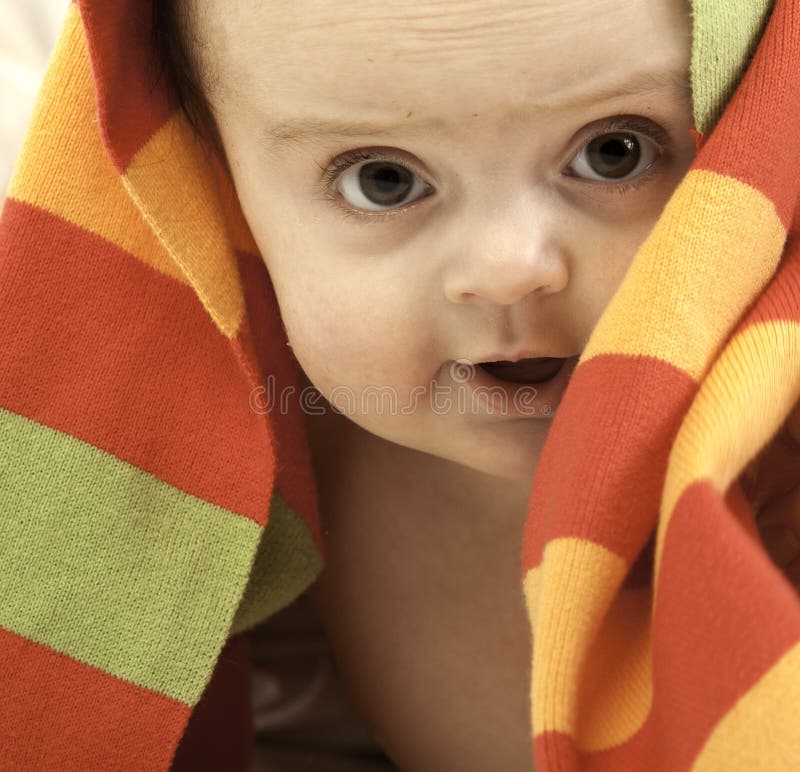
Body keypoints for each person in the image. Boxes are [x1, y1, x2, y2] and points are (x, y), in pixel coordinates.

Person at [1, 0, 796, 770]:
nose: (509, 270)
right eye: (383, 180)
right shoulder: (248, 464)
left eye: (615, 153)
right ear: (221, 191)